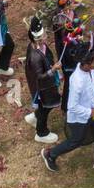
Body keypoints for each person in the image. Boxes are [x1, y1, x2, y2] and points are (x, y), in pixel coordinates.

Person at [42, 38, 94, 173]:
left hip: (93, 109)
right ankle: (50, 154)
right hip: (80, 117)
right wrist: (90, 113)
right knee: (75, 141)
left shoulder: (86, 69)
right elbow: (72, 106)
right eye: (93, 62)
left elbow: (90, 79)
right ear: (85, 64)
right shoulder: (77, 81)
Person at [24, 16, 61, 145]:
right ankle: (41, 132)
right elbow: (39, 76)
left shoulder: (40, 46)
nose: (46, 36)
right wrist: (54, 69)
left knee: (47, 105)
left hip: (47, 84)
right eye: (44, 35)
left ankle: (34, 116)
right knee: (45, 108)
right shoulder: (35, 57)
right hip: (42, 88)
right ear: (38, 39)